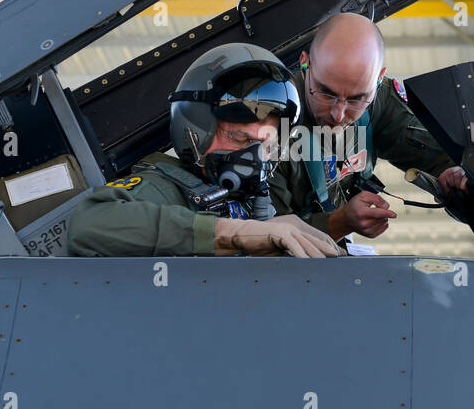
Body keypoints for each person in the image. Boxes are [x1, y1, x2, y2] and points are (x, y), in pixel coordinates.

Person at [67, 43, 340, 258]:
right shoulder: (163, 188)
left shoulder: (251, 200)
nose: (255, 157)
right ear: (195, 131)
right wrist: (232, 234)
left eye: (266, 145)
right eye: (239, 138)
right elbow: (89, 223)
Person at [269, 12, 467, 240]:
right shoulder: (269, 127)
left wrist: (451, 174)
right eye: (326, 92)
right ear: (305, 64)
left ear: (379, 80)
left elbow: (443, 160)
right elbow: (261, 238)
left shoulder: (379, 102)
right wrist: (337, 224)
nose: (338, 113)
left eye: (356, 99)